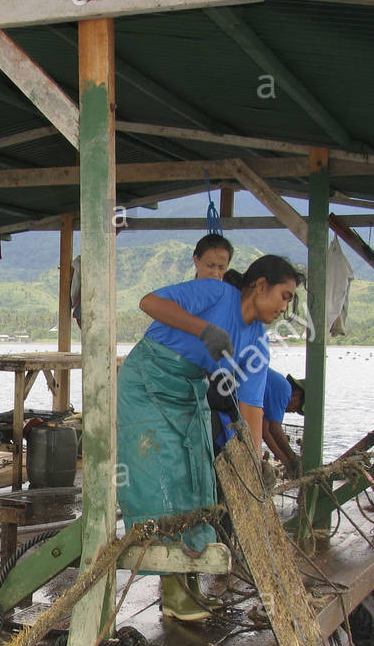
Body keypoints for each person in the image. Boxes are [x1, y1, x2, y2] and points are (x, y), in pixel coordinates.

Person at [119, 255, 302, 621]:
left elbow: (251, 411)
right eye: (284, 296)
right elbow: (149, 303)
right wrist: (204, 330)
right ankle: (173, 592)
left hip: (188, 388)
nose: (286, 308)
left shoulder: (257, 345)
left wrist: (253, 462)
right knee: (163, 480)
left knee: (197, 477)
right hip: (146, 379)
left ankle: (188, 586)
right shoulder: (216, 293)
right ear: (261, 285)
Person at [213, 368, 306, 477]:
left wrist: (285, 460)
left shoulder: (274, 391)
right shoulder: (285, 390)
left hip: (226, 397)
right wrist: (292, 457)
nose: (293, 411)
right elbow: (275, 429)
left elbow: (265, 431)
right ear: (297, 395)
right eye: (296, 408)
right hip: (226, 399)